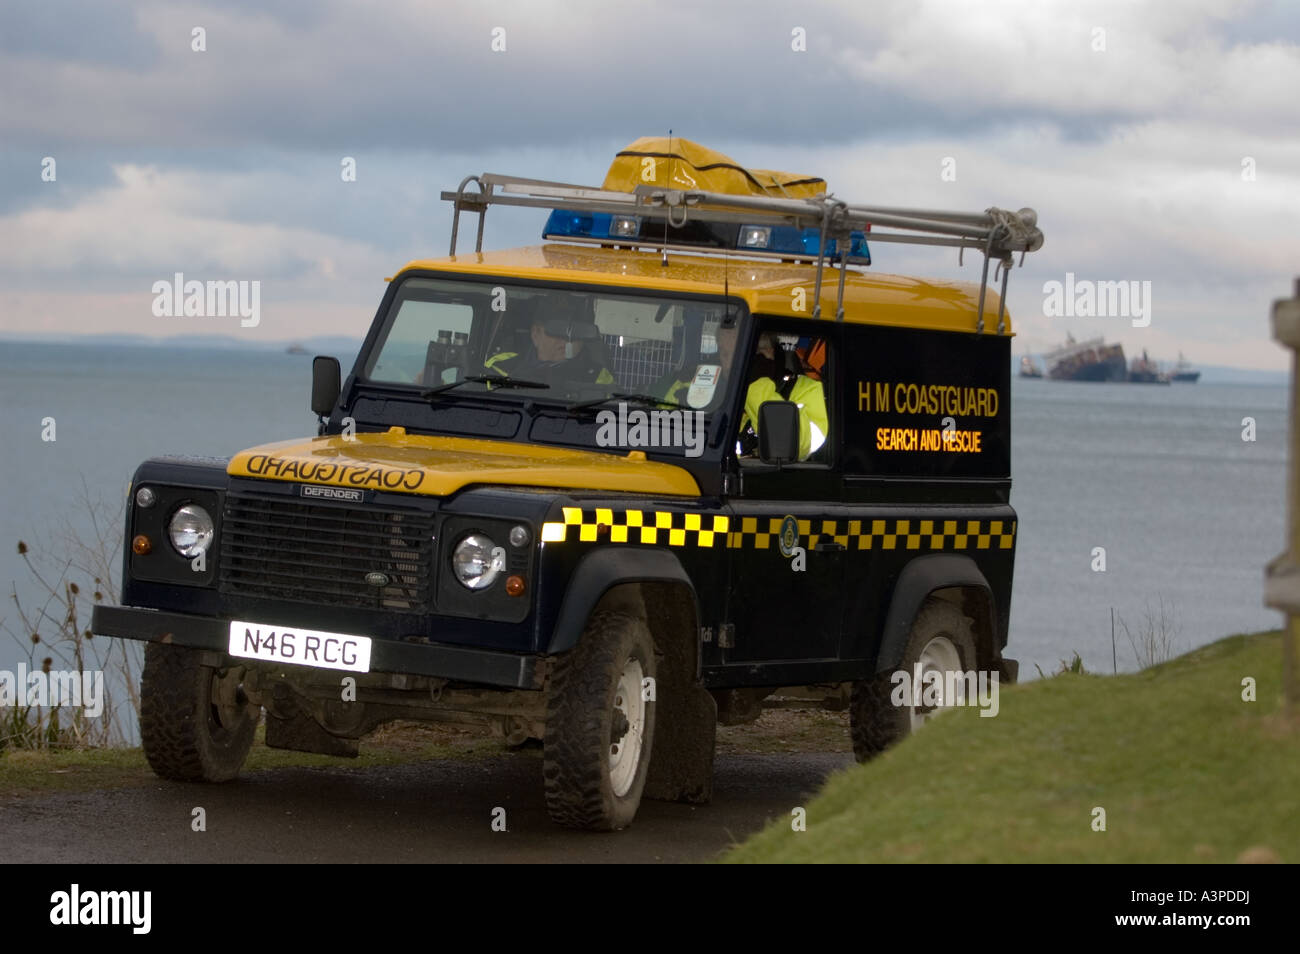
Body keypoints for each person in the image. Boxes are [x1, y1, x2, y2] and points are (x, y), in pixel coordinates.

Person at [737, 333, 828, 461]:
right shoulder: (721, 395)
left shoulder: (808, 390)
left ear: (765, 355)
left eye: (735, 355)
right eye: (723, 354)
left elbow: (795, 445)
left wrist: (757, 383)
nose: (730, 364)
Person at [485, 315, 613, 386]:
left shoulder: (597, 377)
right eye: (557, 332)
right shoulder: (500, 365)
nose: (566, 341)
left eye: (574, 334)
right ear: (536, 333)